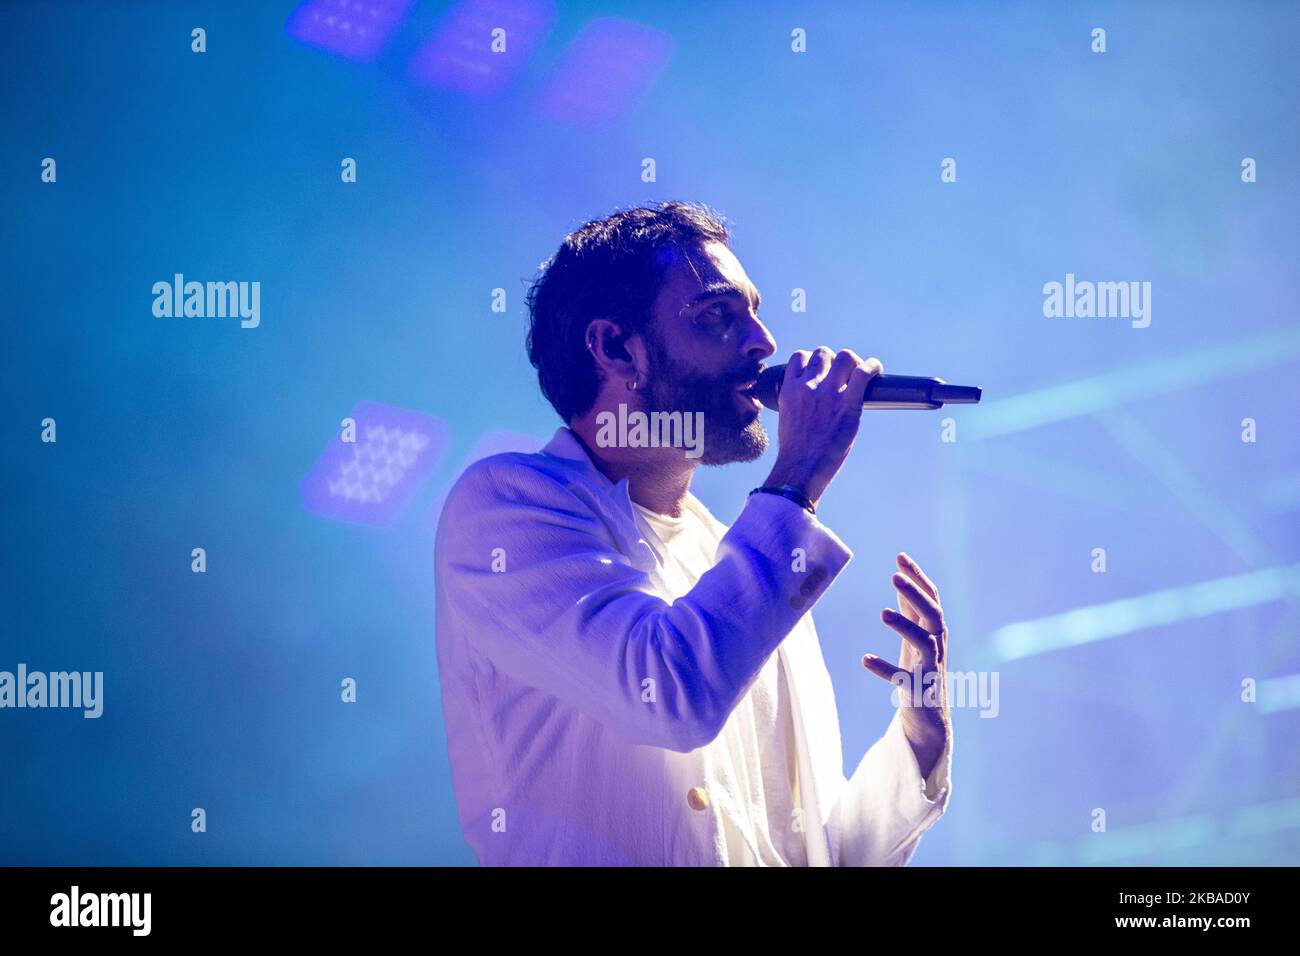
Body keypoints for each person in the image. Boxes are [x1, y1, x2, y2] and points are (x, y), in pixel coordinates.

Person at [434, 200, 952, 865]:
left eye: (757, 312)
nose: (764, 343)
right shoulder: (508, 507)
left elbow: (818, 852)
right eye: (717, 316)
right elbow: (667, 693)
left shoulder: (744, 558)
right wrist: (797, 477)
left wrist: (920, 742)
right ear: (617, 348)